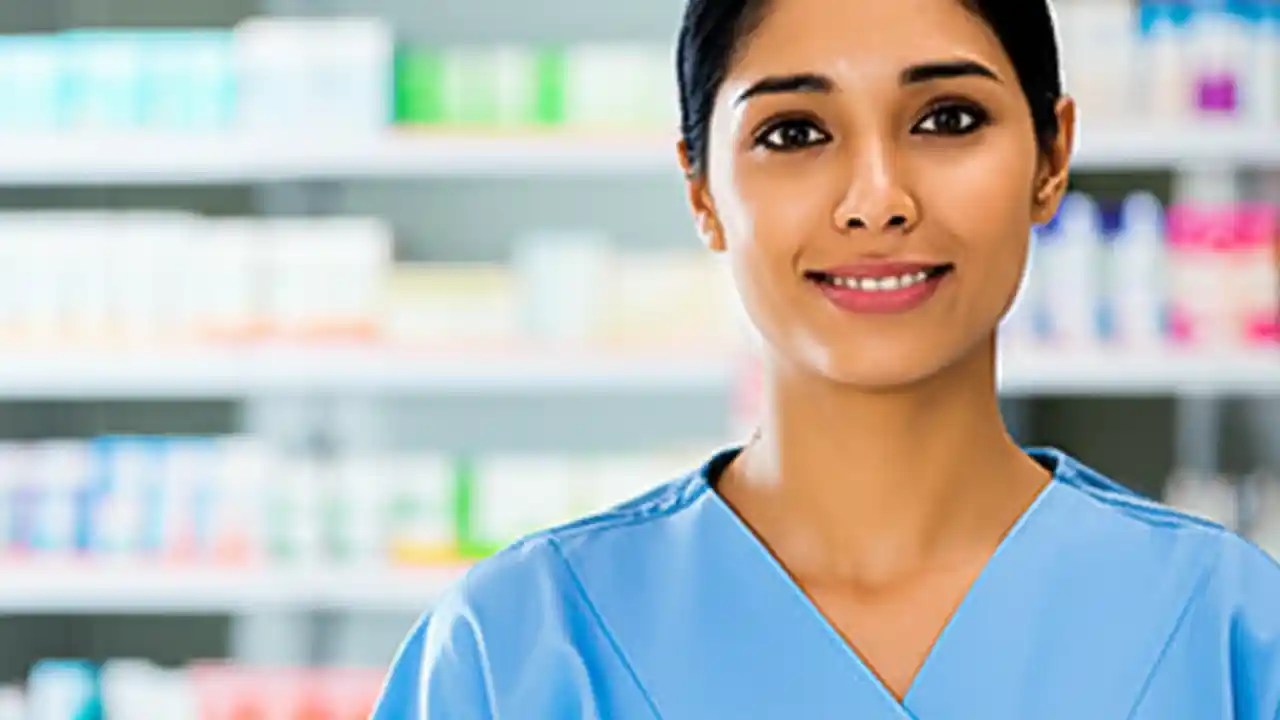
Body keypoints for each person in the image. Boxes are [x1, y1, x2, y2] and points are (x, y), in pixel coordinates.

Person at [373, 0, 1280, 716]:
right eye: (794, 133)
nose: (876, 199)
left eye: (949, 117)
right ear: (701, 188)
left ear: (1051, 157)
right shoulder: (517, 651)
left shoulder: (1227, 629)